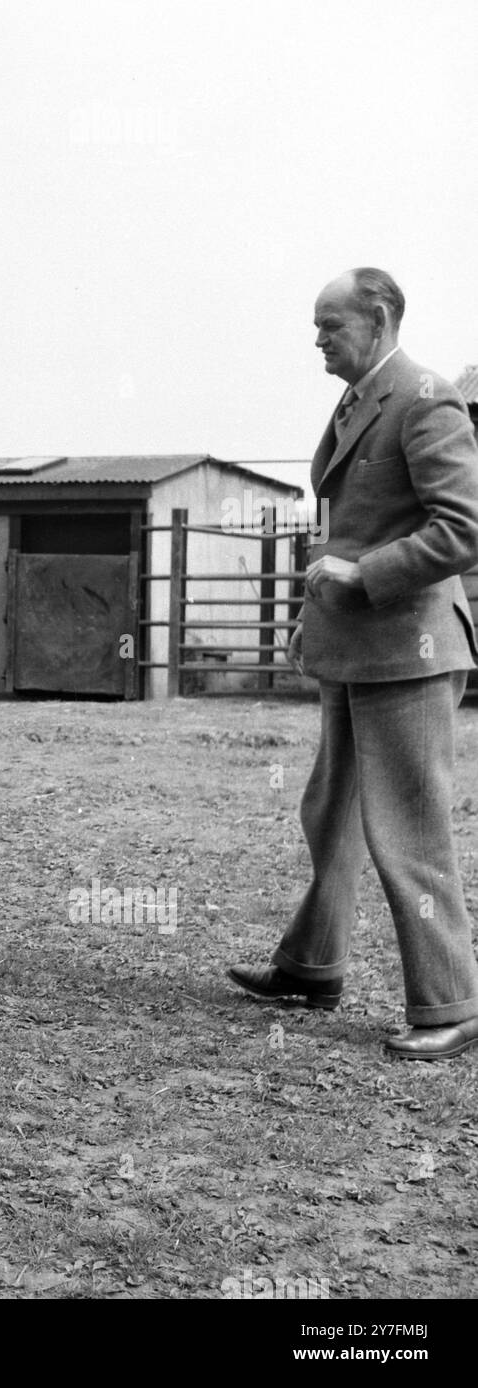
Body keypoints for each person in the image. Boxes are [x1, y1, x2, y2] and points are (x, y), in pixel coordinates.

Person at [228, 267, 478, 1060]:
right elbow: (347, 533)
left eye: (330, 325)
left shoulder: (428, 399)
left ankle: (452, 1003)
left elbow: (464, 530)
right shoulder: (356, 402)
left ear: (377, 319)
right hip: (356, 648)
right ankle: (312, 966)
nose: (317, 339)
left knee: (408, 831)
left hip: (409, 652)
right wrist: (319, 615)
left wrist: (361, 577)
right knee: (330, 814)